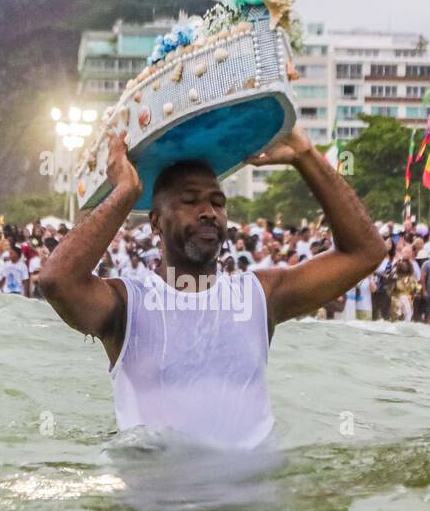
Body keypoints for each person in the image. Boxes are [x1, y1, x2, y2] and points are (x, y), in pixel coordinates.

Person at [38, 126, 386, 449]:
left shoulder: (259, 296)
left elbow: (365, 252)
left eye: (217, 202)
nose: (208, 212)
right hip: (162, 504)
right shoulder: (128, 305)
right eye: (190, 201)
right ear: (156, 222)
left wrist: (305, 155)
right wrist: (126, 192)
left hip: (252, 501)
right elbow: (57, 281)